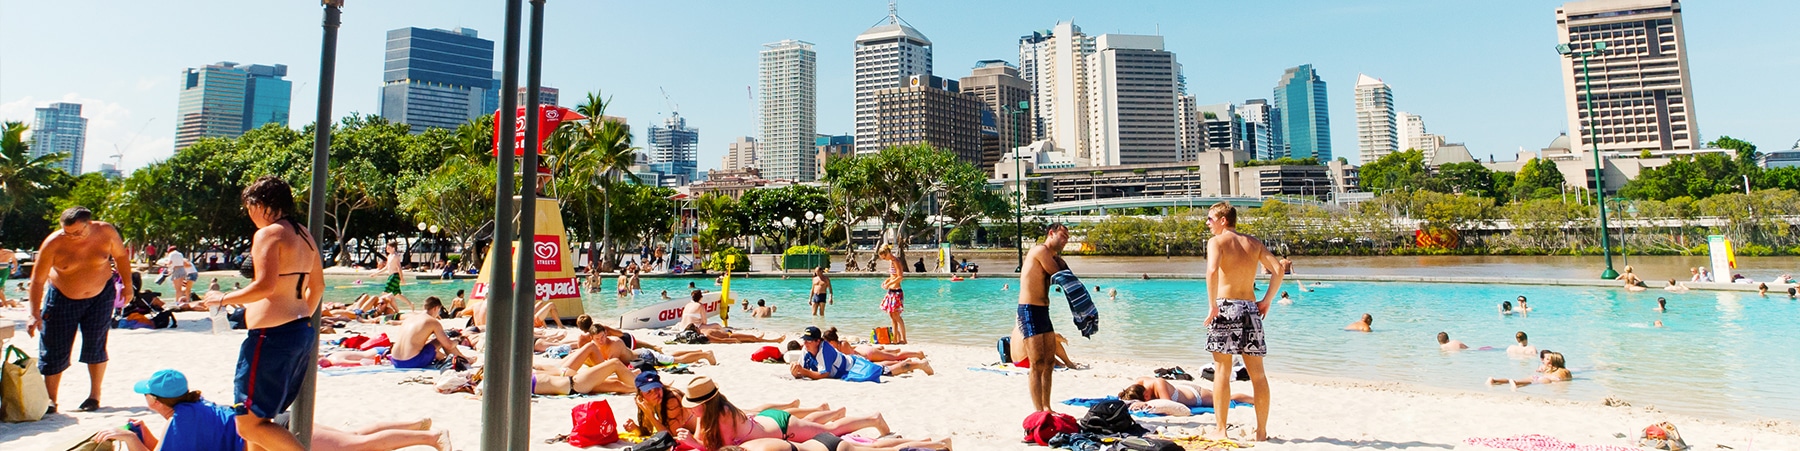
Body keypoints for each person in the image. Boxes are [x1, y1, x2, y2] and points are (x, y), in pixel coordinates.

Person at [201, 176, 325, 450]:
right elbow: (318, 286)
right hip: (299, 331)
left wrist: (222, 297)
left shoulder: (268, 234)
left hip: (272, 336)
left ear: (262, 205)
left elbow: (265, 286)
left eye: (249, 207)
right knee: (261, 422)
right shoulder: (304, 235)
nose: (250, 215)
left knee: (247, 423)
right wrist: (299, 316)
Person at [89, 369, 449, 451]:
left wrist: (127, 438)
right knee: (350, 436)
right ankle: (415, 423)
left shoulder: (181, 420)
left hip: (274, 434)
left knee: (352, 447)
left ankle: (432, 436)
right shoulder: (189, 409)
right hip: (272, 425)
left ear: (156, 401)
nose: (145, 400)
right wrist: (140, 434)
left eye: (146, 395)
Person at [27, 206, 135, 413]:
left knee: (96, 344)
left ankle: (94, 396)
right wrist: (33, 313)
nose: (72, 237)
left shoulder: (106, 232)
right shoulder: (53, 244)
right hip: (62, 297)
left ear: (90, 224)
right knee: (54, 347)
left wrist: (128, 287)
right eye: (67, 232)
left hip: (101, 295)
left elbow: (121, 257)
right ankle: (51, 400)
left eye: (77, 232)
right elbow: (38, 280)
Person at [1200, 201, 1279, 441]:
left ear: (1223, 220)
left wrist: (1212, 305)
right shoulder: (1253, 243)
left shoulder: (1217, 242)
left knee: (1222, 370)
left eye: (1210, 219)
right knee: (1258, 374)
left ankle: (1221, 429)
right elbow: (1278, 269)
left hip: (1226, 307)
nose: (1208, 223)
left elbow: (1212, 271)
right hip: (1250, 309)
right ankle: (1262, 432)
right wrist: (1267, 300)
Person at [678, 376, 891, 451]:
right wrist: (691, 440)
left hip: (780, 428)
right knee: (814, 429)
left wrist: (695, 444)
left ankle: (873, 419)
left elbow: (725, 449)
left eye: (693, 404)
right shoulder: (705, 413)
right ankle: (832, 411)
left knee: (831, 431)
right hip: (764, 423)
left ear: (706, 403)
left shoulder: (723, 413)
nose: (690, 408)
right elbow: (700, 440)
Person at [1016, 222, 1070, 412]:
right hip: (1029, 309)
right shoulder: (1040, 251)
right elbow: (1060, 275)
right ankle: (1038, 410)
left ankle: (1047, 406)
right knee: (1036, 363)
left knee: (1048, 362)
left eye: (1067, 239)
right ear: (1051, 233)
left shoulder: (1053, 257)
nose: (1064, 241)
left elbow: (1066, 275)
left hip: (1043, 311)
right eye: (1062, 236)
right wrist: (1063, 265)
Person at [791, 327, 931, 382]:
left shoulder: (825, 350)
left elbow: (823, 374)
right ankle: (915, 363)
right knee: (884, 365)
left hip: (855, 366)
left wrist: (803, 371)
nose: (805, 343)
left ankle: (918, 364)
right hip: (851, 363)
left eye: (809, 341)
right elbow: (803, 372)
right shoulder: (806, 349)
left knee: (888, 371)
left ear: (817, 341)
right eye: (805, 340)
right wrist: (796, 372)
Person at [388, 297, 475, 369]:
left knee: (435, 342)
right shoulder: (432, 321)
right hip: (410, 362)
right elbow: (448, 345)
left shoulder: (409, 318)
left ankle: (463, 358)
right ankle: (464, 360)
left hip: (395, 360)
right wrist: (456, 341)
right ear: (436, 308)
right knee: (442, 340)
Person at [1119, 376, 1252, 409]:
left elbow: (1167, 404)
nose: (1147, 401)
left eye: (1146, 400)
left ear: (1146, 395)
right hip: (1181, 389)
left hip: (1196, 395)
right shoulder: (1137, 384)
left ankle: (1254, 399)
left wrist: (1145, 405)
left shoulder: (1158, 383)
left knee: (1227, 399)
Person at [365, 242, 414, 310]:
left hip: (395, 276)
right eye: (386, 248)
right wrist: (376, 273)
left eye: (388, 248)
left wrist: (402, 278)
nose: (386, 249)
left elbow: (399, 268)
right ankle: (410, 304)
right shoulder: (390, 256)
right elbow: (386, 268)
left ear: (393, 248)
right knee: (397, 295)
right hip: (391, 276)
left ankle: (382, 308)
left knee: (385, 292)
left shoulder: (395, 256)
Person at [1487, 351, 1571, 388]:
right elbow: (1563, 379)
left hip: (1537, 376)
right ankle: (1516, 383)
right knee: (1530, 383)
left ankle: (1495, 381)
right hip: (1546, 380)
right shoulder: (1565, 371)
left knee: (1526, 380)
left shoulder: (1549, 369)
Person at [878, 247, 907, 344]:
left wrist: (889, 284)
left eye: (884, 257)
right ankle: (895, 339)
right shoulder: (891, 261)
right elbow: (892, 276)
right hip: (891, 291)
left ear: (887, 253)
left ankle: (903, 339)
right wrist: (886, 282)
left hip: (897, 291)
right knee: (892, 315)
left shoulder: (896, 261)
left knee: (897, 316)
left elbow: (900, 277)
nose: (884, 259)